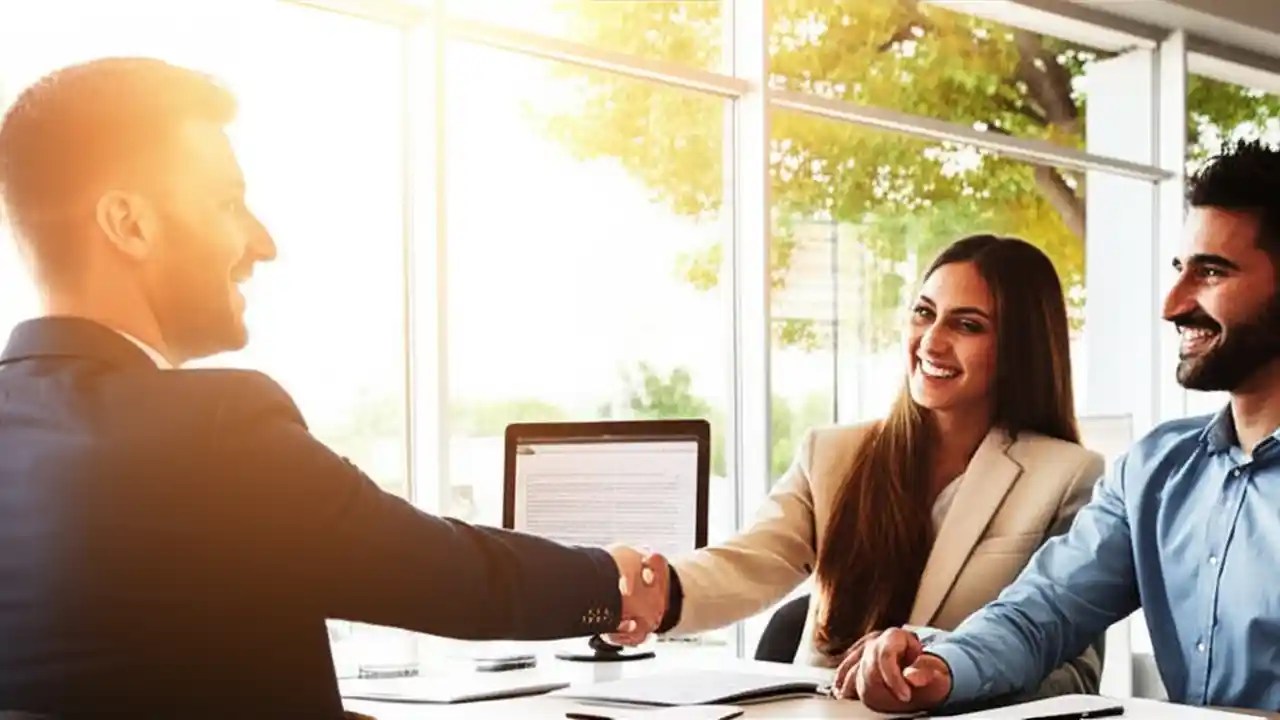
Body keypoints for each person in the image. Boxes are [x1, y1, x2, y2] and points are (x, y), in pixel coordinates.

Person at [0, 58, 669, 718]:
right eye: (228, 202)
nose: (263, 243)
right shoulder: (212, 429)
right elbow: (451, 577)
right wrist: (611, 585)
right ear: (130, 224)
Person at [846, 140, 1280, 716]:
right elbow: (1040, 613)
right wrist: (940, 668)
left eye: (1212, 272)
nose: (1172, 305)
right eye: (1180, 269)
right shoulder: (1154, 471)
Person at [613, 235, 1105, 697]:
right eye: (923, 313)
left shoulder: (1066, 476)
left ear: (1020, 348)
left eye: (967, 324)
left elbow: (1076, 673)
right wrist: (661, 591)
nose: (931, 342)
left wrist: (941, 670)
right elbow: (749, 562)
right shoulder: (832, 454)